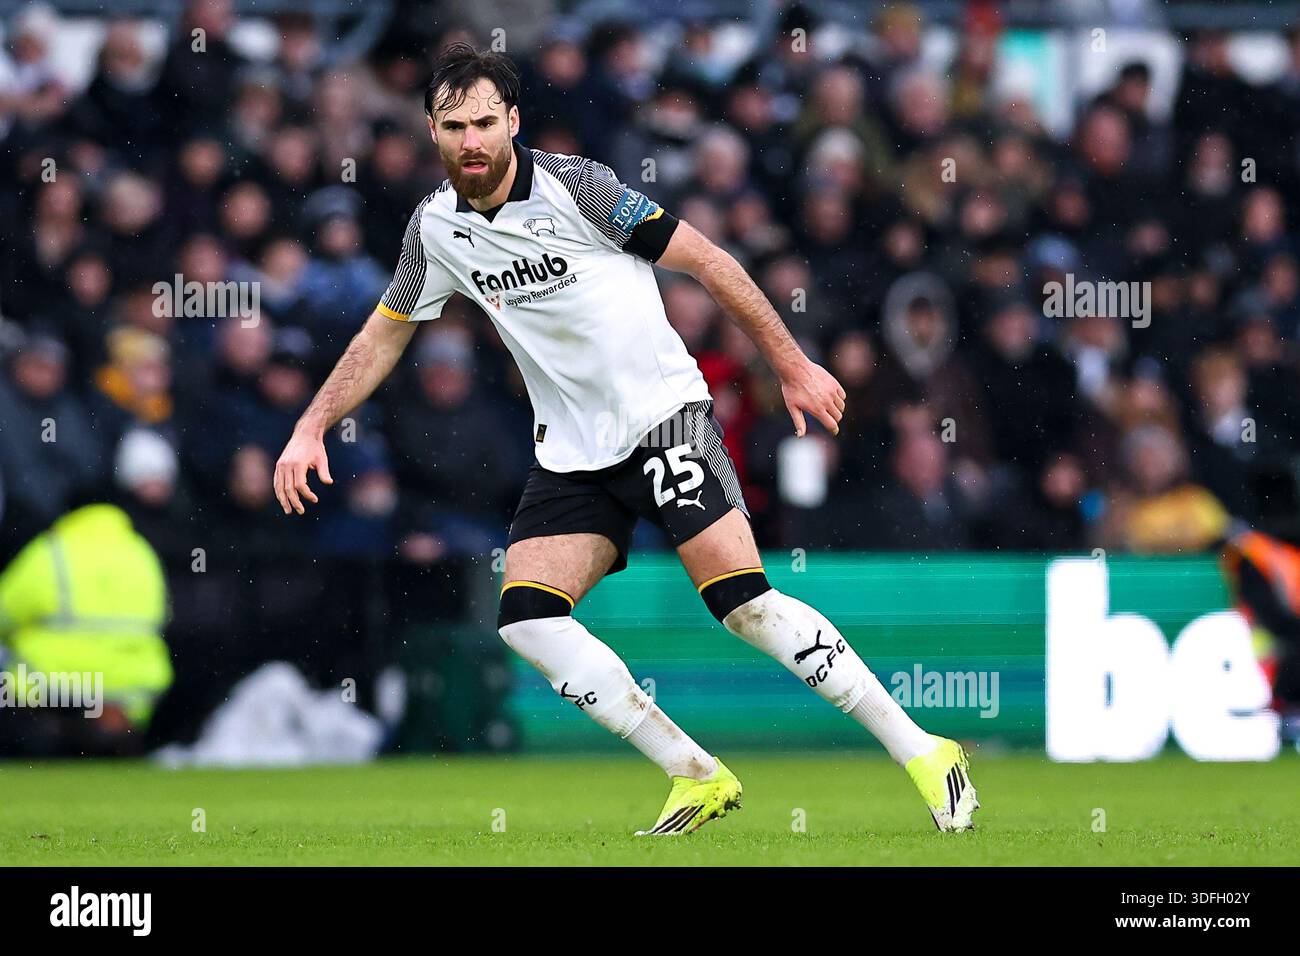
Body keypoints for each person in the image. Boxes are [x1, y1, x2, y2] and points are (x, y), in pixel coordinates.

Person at [273, 43, 978, 835]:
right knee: (529, 619)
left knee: (742, 604)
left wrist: (791, 365)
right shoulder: (435, 229)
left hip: (664, 418)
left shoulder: (579, 188)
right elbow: (383, 334)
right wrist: (310, 426)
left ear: (512, 121)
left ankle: (923, 749)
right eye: (451, 126)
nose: (470, 141)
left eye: (482, 122)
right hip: (573, 453)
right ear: (432, 131)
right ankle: (694, 773)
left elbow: (709, 261)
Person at [0, 502, 172, 756]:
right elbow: (162, 617)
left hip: (56, 686)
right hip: (130, 687)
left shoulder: (52, 550)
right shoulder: (141, 552)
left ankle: (49, 739)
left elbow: (5, 612)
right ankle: (112, 734)